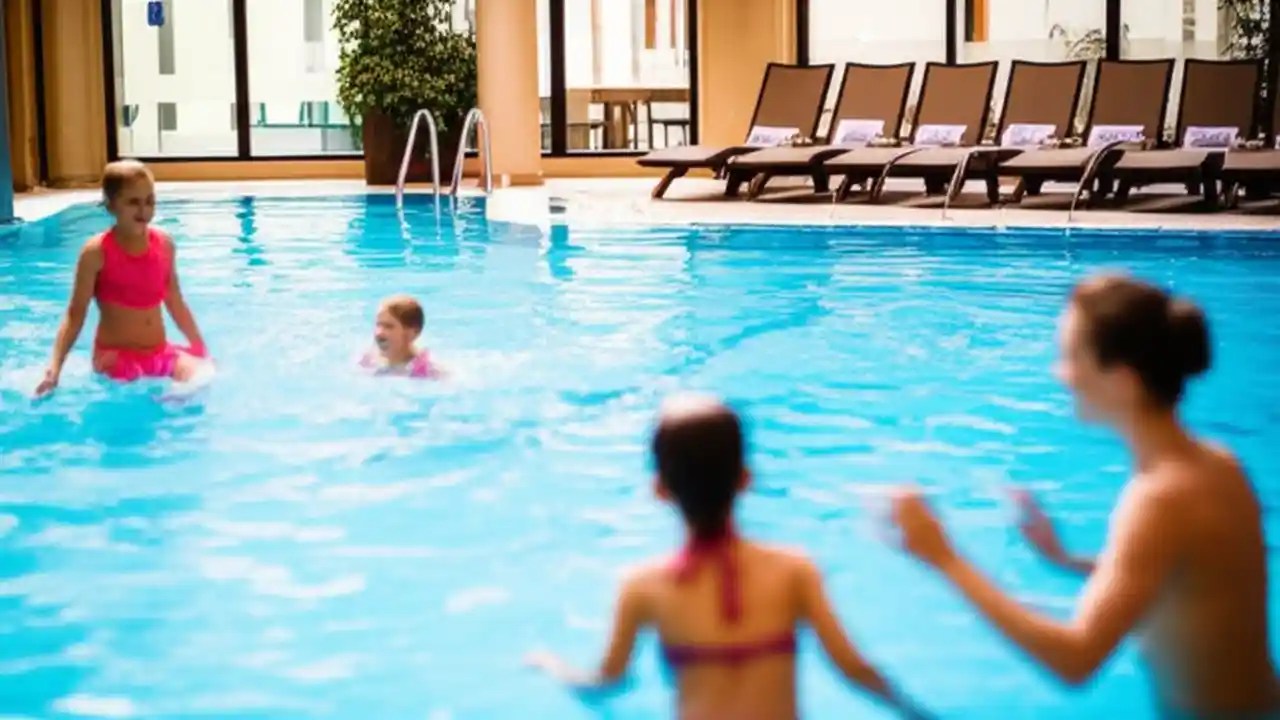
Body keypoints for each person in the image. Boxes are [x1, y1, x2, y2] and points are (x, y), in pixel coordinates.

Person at [892, 274, 1279, 718]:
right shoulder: (1216, 464)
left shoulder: (1159, 498)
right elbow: (1176, 574)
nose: (1061, 374)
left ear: (1123, 381)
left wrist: (944, 558)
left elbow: (1077, 660)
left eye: (1071, 357)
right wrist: (1066, 559)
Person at [528, 394, 929, 719]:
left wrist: (553, 668)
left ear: (659, 489)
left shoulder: (644, 586)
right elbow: (854, 669)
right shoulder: (793, 570)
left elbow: (607, 680)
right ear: (745, 479)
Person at [36, 160, 208, 396]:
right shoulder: (96, 253)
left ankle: (170, 401)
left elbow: (175, 300)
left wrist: (199, 346)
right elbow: (75, 314)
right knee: (135, 396)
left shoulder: (164, 245)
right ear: (110, 205)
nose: (144, 210)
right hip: (115, 358)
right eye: (133, 202)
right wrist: (54, 369)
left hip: (159, 352)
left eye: (150, 201)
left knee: (204, 376)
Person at [359, 294, 437, 378]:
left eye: (389, 326)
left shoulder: (428, 372)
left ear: (412, 333)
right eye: (378, 325)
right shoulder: (368, 362)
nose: (379, 333)